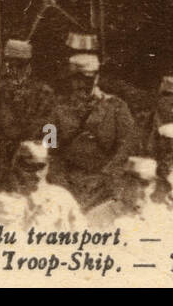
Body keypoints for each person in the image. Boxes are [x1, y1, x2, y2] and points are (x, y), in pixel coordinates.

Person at [48, 53, 139, 208]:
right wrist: (60, 182)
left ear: (97, 78)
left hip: (105, 184)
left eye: (87, 79)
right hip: (67, 182)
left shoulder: (116, 107)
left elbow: (128, 148)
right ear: (70, 79)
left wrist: (108, 177)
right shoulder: (57, 109)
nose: (81, 84)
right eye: (76, 79)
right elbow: (49, 148)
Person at [0, 39, 55, 178]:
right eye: (10, 65)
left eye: (19, 66)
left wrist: (48, 153)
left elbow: (51, 128)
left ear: (28, 66)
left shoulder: (44, 92)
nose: (14, 71)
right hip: (3, 158)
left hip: (34, 158)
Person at [4, 140, 86, 231]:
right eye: (29, 167)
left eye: (41, 167)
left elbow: (80, 230)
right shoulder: (7, 200)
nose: (36, 173)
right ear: (19, 167)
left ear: (48, 166)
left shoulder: (62, 196)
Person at [86, 155, 173, 233]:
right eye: (142, 184)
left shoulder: (153, 218)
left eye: (150, 185)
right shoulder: (99, 215)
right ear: (125, 183)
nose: (146, 191)